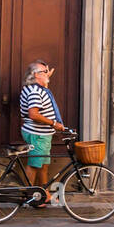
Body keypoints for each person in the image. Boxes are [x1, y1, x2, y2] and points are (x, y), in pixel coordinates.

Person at [18, 60, 65, 199]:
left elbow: (45, 90)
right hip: (37, 134)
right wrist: (53, 123)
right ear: (35, 75)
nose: (48, 74)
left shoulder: (37, 88)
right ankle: (27, 196)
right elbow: (33, 114)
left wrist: (46, 76)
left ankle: (45, 194)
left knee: (43, 165)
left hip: (42, 135)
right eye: (44, 72)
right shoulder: (34, 91)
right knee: (34, 165)